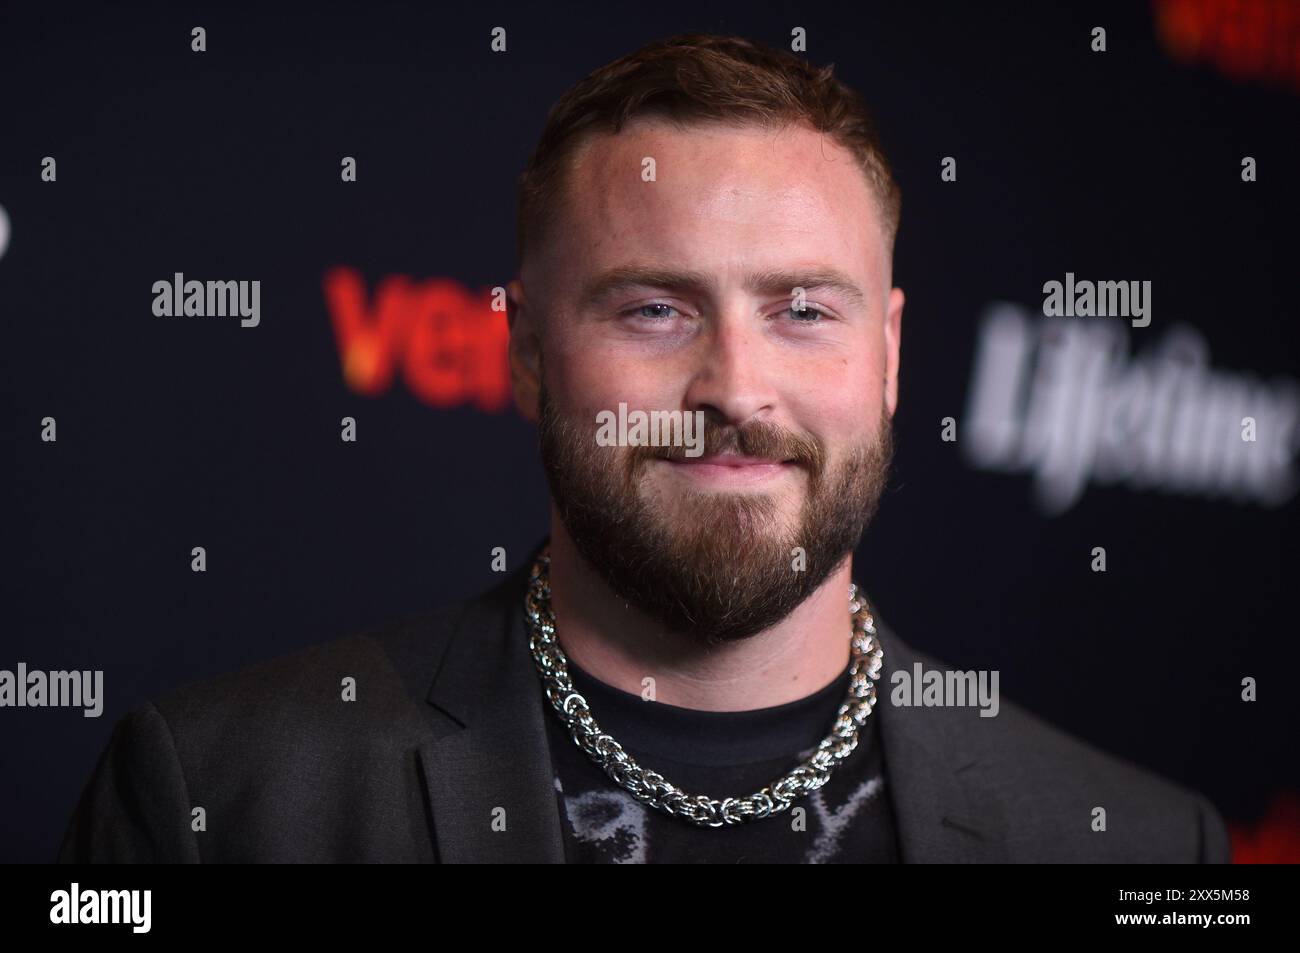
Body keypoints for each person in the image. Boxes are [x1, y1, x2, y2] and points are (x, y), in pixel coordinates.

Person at [58, 32, 1230, 863]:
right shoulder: (220, 801)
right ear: (522, 351)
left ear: (885, 358)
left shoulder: (1137, 843)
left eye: (803, 309)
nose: (733, 387)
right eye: (653, 308)